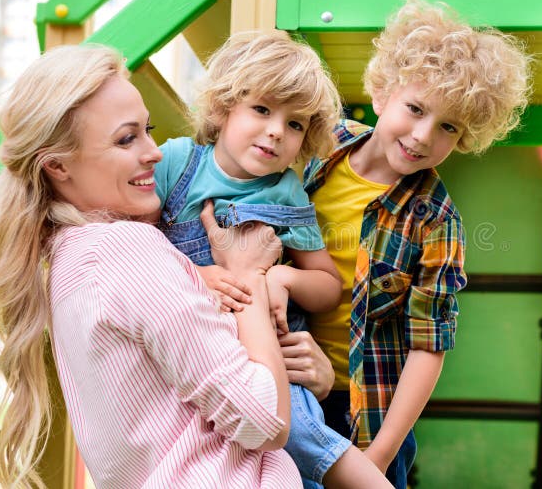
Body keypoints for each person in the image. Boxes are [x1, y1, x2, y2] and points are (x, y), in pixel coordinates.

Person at [0, 44, 308, 488]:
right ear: (57, 166)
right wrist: (250, 276)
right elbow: (266, 418)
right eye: (126, 138)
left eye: (147, 130)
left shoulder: (69, 258)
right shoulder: (126, 251)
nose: (154, 152)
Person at [303, 0, 533, 488]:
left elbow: (429, 346)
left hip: (364, 416)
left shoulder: (436, 220)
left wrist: (380, 454)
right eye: (416, 109)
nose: (423, 136)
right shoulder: (317, 151)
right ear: (383, 93)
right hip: (287, 382)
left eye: (448, 126)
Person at [152, 31, 391, 489]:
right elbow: (138, 248)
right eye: (261, 110)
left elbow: (326, 285)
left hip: (271, 353)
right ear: (224, 108)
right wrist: (197, 273)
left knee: (298, 434)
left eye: (296, 124)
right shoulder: (177, 164)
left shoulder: (285, 190)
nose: (277, 130)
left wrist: (281, 276)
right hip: (198, 345)